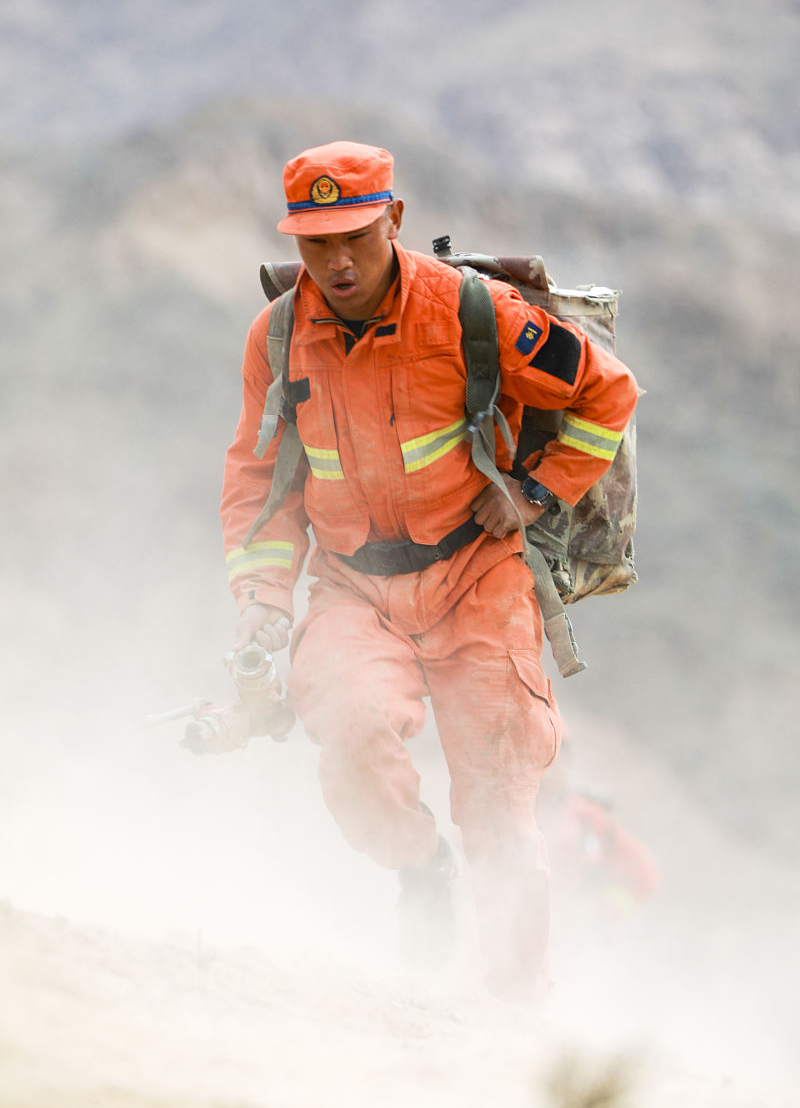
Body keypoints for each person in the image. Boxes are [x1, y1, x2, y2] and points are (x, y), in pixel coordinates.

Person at [220, 140, 638, 1003]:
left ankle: (516, 1014)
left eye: (356, 238)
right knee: (352, 740)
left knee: (500, 805)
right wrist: (261, 600)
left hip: (477, 579)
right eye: (314, 243)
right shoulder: (278, 339)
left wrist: (535, 492)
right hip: (352, 589)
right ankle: (420, 868)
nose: (336, 262)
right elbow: (257, 485)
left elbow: (607, 394)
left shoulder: (471, 314)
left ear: (394, 221)